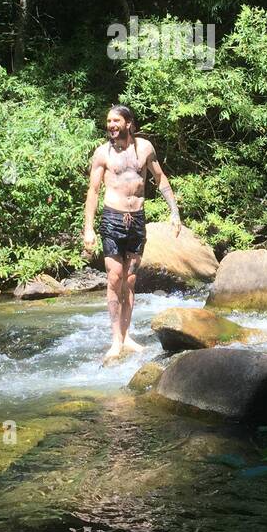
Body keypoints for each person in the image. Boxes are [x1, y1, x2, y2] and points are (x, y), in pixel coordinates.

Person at [82, 105, 181, 362]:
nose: (111, 125)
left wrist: (174, 212)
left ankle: (126, 336)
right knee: (114, 278)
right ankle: (115, 340)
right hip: (112, 220)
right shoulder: (102, 153)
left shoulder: (145, 148)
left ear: (128, 123)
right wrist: (89, 228)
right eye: (108, 121)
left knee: (130, 280)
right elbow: (93, 191)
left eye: (116, 121)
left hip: (136, 220)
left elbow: (160, 179)